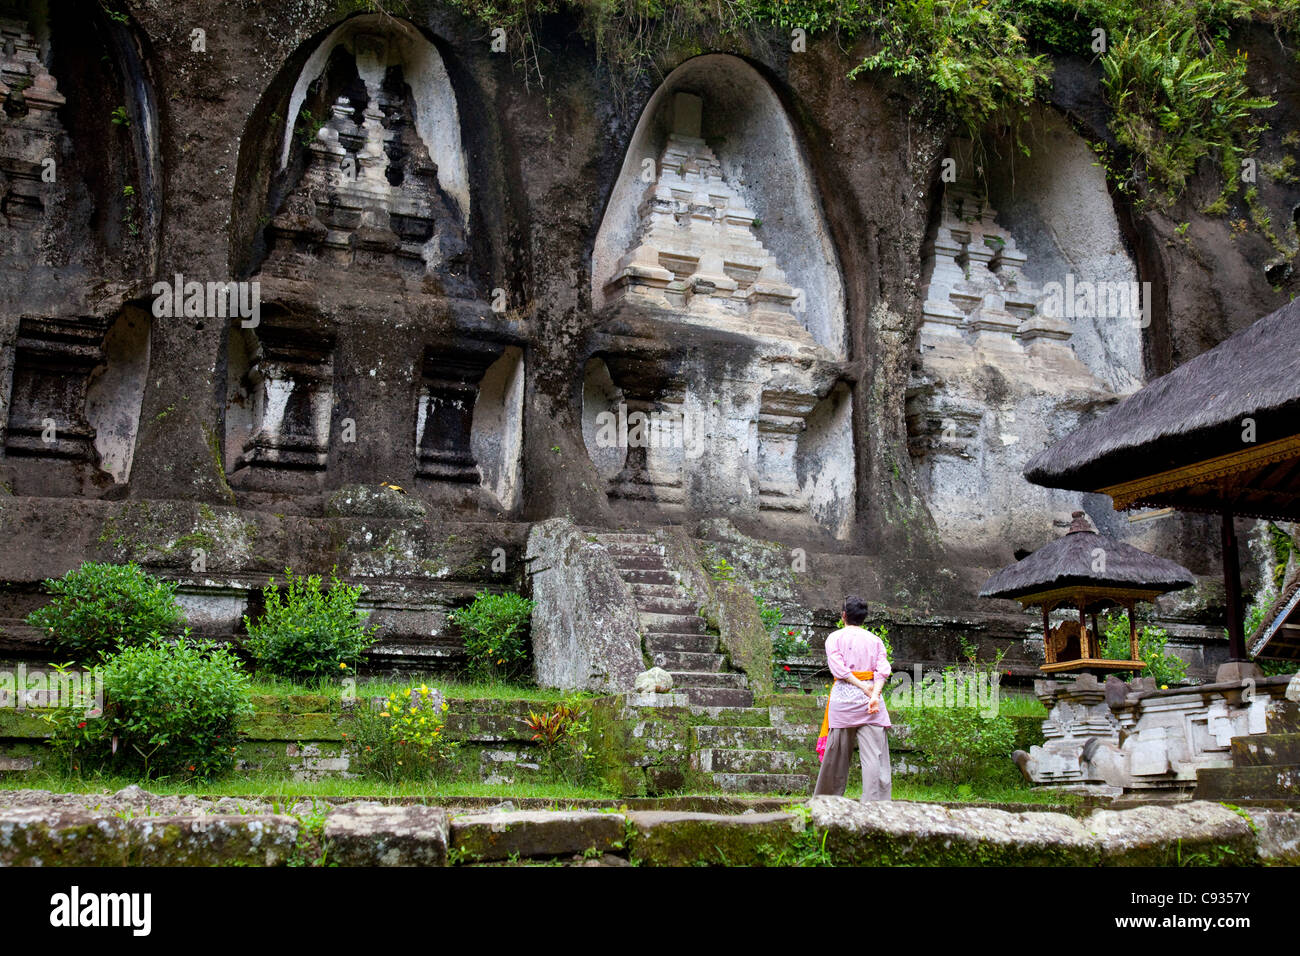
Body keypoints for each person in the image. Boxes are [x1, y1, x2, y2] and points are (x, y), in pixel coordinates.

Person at [812, 595, 892, 801]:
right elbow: (883, 671)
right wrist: (872, 693)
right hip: (871, 703)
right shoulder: (875, 640)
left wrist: (863, 688)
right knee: (875, 757)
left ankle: (826, 802)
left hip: (845, 701)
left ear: (844, 615)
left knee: (835, 757)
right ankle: (877, 806)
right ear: (864, 618)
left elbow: (840, 670)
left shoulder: (835, 638)